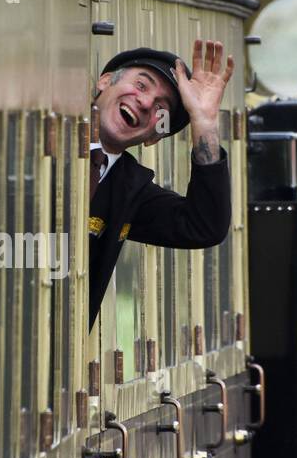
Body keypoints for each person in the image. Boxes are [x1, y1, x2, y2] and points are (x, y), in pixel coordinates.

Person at [87, 39, 234, 330]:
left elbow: (204, 227)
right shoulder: (38, 142)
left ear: (155, 136)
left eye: (160, 108)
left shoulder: (131, 190)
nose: (144, 103)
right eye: (142, 85)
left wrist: (204, 123)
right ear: (105, 81)